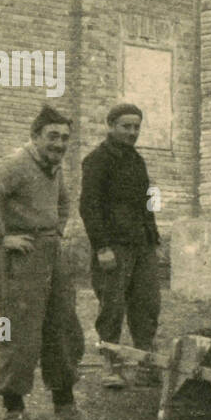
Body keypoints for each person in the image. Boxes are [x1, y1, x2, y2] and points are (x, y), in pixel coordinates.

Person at [0, 105, 107, 420]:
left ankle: (65, 410)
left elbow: (63, 202)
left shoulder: (54, 167)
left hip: (51, 254)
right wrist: (3, 237)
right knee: (20, 334)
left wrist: (56, 231)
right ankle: (14, 416)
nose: (59, 143)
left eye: (64, 138)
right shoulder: (17, 164)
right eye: (52, 136)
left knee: (63, 329)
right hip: (22, 258)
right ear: (35, 136)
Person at [80, 102, 161, 389]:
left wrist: (154, 239)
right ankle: (110, 365)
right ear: (111, 127)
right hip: (114, 246)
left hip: (142, 245)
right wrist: (102, 247)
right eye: (126, 126)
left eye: (136, 127)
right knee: (112, 306)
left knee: (147, 304)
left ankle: (145, 364)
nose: (132, 132)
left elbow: (147, 203)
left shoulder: (137, 160)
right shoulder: (97, 160)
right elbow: (88, 206)